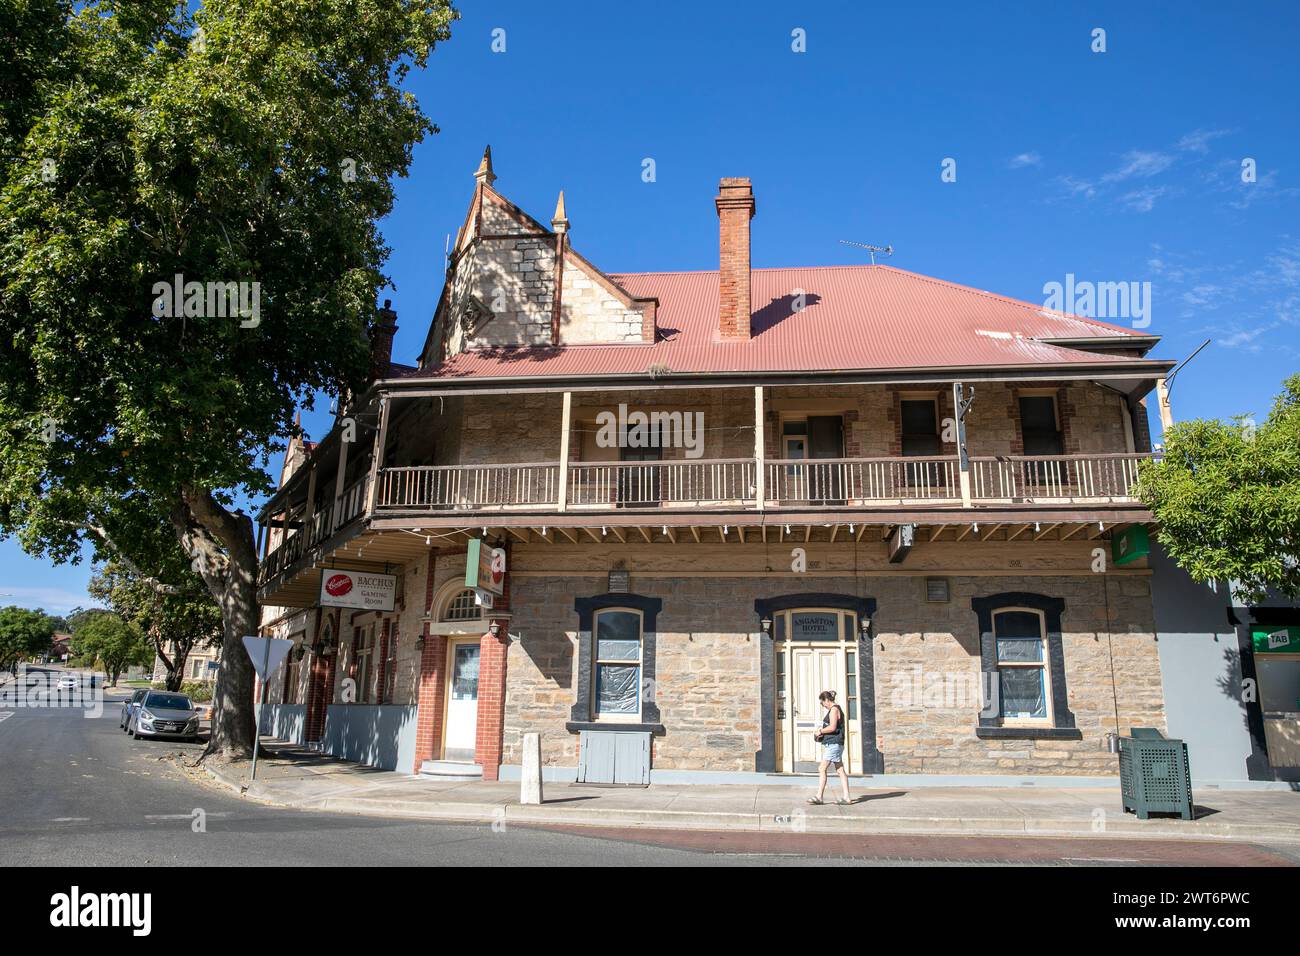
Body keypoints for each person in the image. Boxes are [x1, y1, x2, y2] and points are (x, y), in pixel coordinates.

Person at [807, 690, 851, 805]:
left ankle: (819, 796)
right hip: (835, 743)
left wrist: (819, 731)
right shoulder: (836, 708)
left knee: (822, 768)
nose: (823, 706)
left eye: (822, 703)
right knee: (840, 770)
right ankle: (846, 797)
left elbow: (832, 727)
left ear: (826, 700)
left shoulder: (834, 710)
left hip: (834, 744)